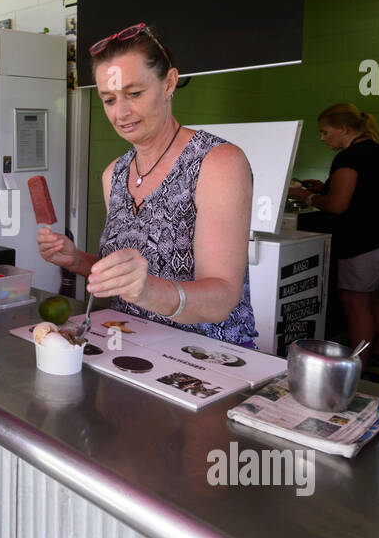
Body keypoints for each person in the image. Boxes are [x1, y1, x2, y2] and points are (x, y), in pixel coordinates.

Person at [37, 22, 258, 347]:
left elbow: (223, 295)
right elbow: (128, 273)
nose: (121, 112)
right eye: (109, 99)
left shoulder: (218, 163)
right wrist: (78, 261)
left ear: (169, 83)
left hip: (207, 361)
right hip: (130, 348)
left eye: (135, 94)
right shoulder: (115, 173)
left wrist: (149, 291)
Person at [287, 103, 379, 365]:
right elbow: (362, 191)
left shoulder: (349, 157)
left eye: (326, 132)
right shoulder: (378, 151)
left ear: (344, 128)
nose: (322, 138)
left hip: (363, 241)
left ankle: (357, 367)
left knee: (355, 302)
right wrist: (322, 188)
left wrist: (307, 195)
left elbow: (337, 206)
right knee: (373, 297)